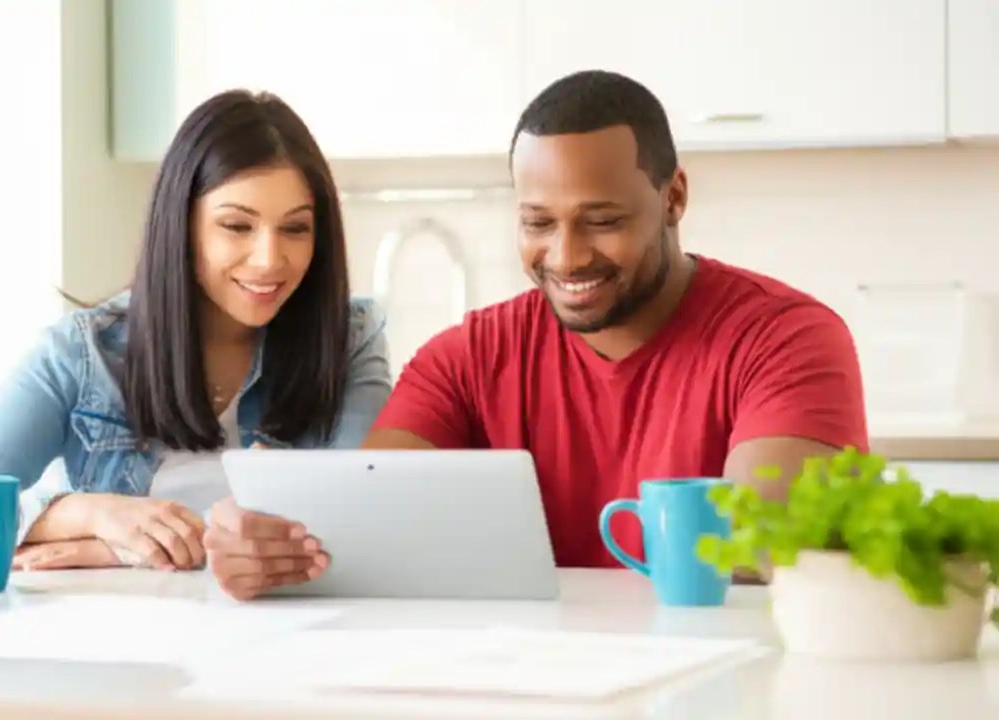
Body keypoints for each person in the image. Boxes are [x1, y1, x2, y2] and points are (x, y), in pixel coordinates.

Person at [204, 70, 867, 600]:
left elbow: (760, 550)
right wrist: (265, 545)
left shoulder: (788, 339)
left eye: (600, 220)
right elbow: (365, 530)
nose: (567, 255)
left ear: (673, 199)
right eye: (538, 222)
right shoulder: (465, 359)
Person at [0, 89, 391, 573]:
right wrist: (77, 512)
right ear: (182, 224)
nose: (269, 259)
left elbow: (360, 516)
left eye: (295, 229)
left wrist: (118, 551)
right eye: (237, 226)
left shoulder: (349, 338)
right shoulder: (81, 353)